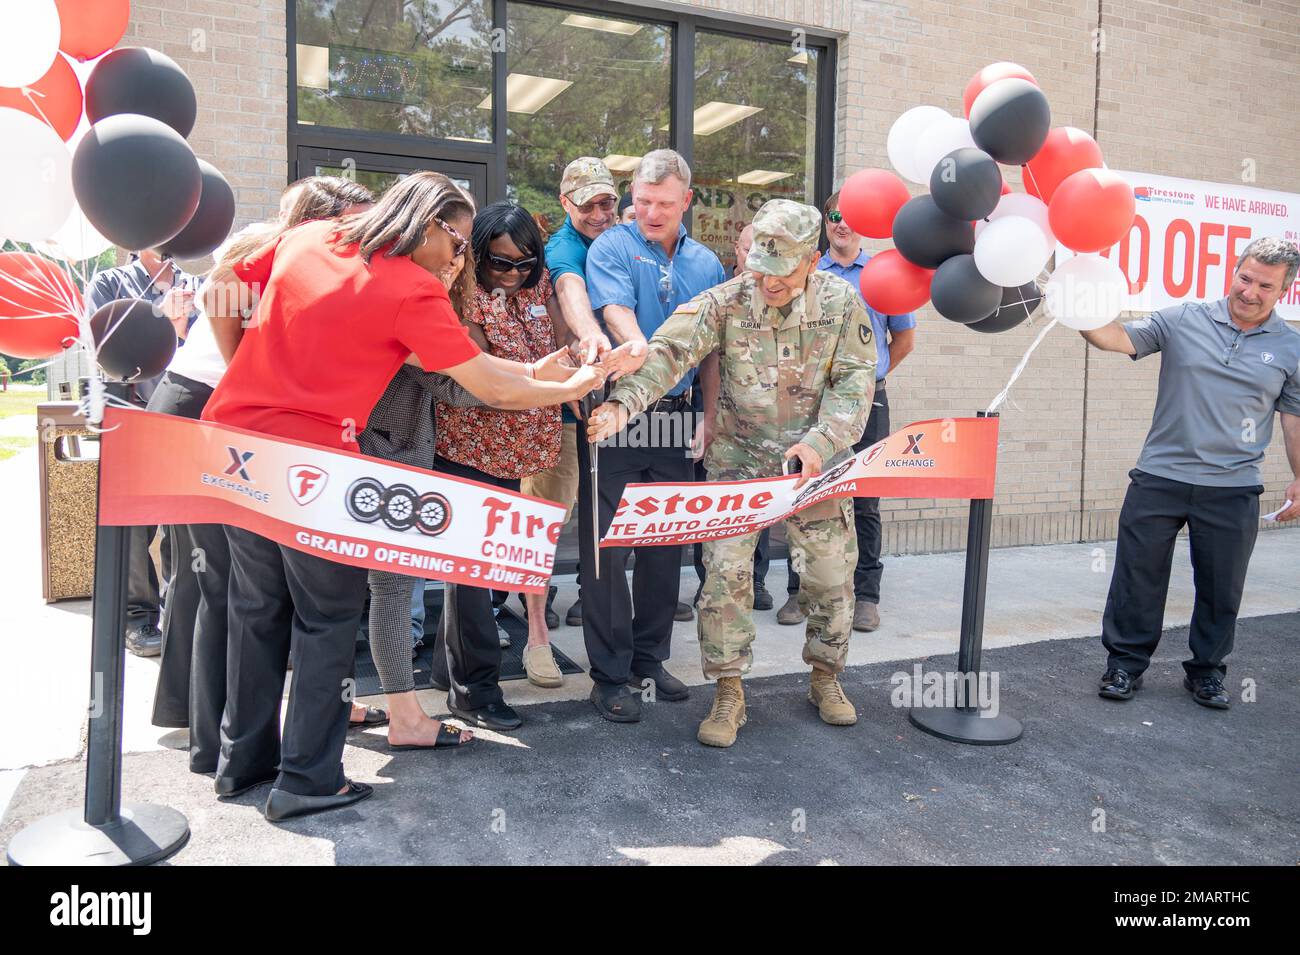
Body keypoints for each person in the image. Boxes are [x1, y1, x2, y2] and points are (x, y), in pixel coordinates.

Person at [201, 172, 604, 822]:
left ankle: (244, 763)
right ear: (425, 224)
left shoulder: (313, 236)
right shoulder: (411, 286)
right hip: (314, 467)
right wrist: (571, 387)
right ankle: (307, 779)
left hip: (235, 447)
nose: (460, 261)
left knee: (257, 611)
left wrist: (240, 370)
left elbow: (222, 281)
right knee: (327, 618)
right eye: (458, 243)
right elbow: (486, 388)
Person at [588, 199, 876, 748]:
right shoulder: (727, 299)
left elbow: (855, 387)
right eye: (760, 267)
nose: (766, 281)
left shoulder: (842, 302)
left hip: (813, 467)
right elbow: (670, 351)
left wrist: (819, 443)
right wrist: (624, 404)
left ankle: (825, 677)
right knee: (723, 580)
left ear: (812, 260)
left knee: (832, 578)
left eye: (782, 270)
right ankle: (728, 690)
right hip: (737, 465)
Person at [150, 176, 376, 773]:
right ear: (325, 219)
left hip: (213, 409)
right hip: (204, 404)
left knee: (223, 587)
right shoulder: (274, 246)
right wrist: (239, 377)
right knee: (221, 585)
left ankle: (225, 748)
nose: (363, 232)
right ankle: (219, 747)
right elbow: (216, 299)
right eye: (356, 218)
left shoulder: (290, 248)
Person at [1079, 237, 1300, 709]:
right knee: (1137, 578)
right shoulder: (1182, 319)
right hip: (1159, 476)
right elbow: (1115, 338)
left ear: (1283, 290)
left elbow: (1293, 420)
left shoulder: (1291, 348)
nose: (1250, 291)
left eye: (1265, 285)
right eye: (1245, 277)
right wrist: (1078, 307)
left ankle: (1207, 672)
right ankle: (1124, 664)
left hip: (1234, 486)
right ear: (1234, 272)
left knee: (1222, 587)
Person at [580, 149, 727, 723]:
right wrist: (645, 348)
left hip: (677, 415)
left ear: (686, 200)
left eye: (663, 203)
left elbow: (713, 348)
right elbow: (614, 310)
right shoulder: (612, 246)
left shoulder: (707, 263)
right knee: (608, 551)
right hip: (616, 410)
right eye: (641, 201)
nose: (650, 212)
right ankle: (610, 674)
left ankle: (649, 659)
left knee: (665, 544)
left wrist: (709, 416)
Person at [430, 201, 569, 722]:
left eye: (524, 263)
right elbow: (482, 375)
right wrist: (548, 376)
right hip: (469, 449)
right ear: (478, 252)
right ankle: (475, 691)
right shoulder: (461, 296)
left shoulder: (537, 286)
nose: (512, 274)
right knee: (471, 573)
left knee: (485, 572)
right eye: (500, 262)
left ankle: (450, 668)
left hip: (518, 452)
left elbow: (561, 334)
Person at [358, 213, 477, 750]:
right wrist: (542, 378)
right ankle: (404, 717)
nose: (455, 263)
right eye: (451, 247)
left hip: (376, 458)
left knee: (336, 597)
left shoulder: (390, 289)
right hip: (384, 463)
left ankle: (335, 701)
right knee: (389, 592)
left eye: (460, 256)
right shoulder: (403, 301)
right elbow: (457, 387)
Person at [778, 190, 917, 632]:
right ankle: (800, 592)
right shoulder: (808, 271)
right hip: (810, 403)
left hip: (867, 403)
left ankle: (866, 596)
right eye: (835, 215)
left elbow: (904, 342)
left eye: (851, 217)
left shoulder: (884, 274)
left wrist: (865, 381)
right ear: (826, 219)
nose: (842, 224)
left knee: (866, 500)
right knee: (804, 494)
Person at [84, 248, 198, 657]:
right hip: (131, 416)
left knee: (182, 525)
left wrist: (182, 328)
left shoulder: (197, 285)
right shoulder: (109, 283)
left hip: (184, 416)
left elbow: (202, 350)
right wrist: (158, 316)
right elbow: (103, 348)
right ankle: (136, 618)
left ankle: (178, 616)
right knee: (137, 527)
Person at [536, 157, 624, 627]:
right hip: (568, 409)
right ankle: (534, 602)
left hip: (616, 406)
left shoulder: (622, 239)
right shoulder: (562, 247)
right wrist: (585, 339)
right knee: (556, 509)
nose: (598, 212)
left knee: (604, 510)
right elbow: (566, 293)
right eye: (586, 203)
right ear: (565, 202)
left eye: (606, 201)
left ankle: (590, 596)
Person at [691, 222, 773, 611]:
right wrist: (708, 417)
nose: (752, 257)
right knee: (711, 500)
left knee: (760, 501)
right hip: (718, 413)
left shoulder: (778, 298)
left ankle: (757, 578)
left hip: (763, 423)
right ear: (736, 253)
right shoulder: (720, 300)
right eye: (746, 249)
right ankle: (708, 579)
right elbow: (708, 356)